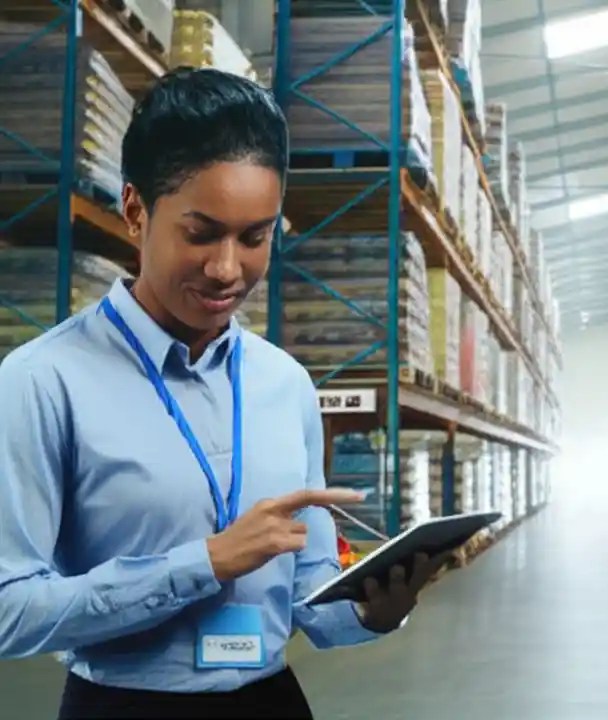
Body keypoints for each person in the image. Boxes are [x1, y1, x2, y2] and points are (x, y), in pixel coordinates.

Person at [0, 68, 436, 719]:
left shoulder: (285, 384)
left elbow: (310, 599)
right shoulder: (42, 381)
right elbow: (9, 610)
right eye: (201, 234)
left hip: (271, 701)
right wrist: (202, 564)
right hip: (122, 707)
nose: (228, 268)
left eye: (255, 238)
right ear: (135, 210)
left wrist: (374, 611)